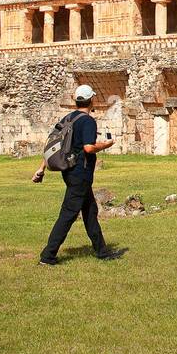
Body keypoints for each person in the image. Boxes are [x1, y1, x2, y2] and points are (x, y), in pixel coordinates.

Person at [38, 85, 124, 265]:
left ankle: (102, 251)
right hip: (80, 174)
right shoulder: (87, 121)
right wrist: (106, 145)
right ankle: (48, 256)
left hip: (69, 172)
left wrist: (41, 168)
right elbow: (88, 147)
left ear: (75, 100)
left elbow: (53, 144)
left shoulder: (68, 118)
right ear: (91, 100)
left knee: (90, 211)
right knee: (68, 214)